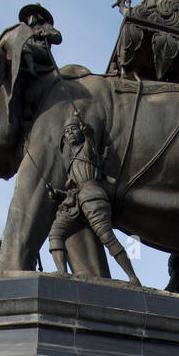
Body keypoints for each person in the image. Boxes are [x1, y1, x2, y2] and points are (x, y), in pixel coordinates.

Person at [49, 118, 141, 284]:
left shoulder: (87, 150)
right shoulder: (71, 161)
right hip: (76, 204)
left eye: (73, 129)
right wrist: (59, 195)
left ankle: (132, 277)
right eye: (67, 131)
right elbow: (73, 189)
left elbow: (91, 142)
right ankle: (63, 274)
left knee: (107, 237)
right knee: (56, 233)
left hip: (93, 197)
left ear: (80, 131)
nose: (70, 133)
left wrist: (88, 132)